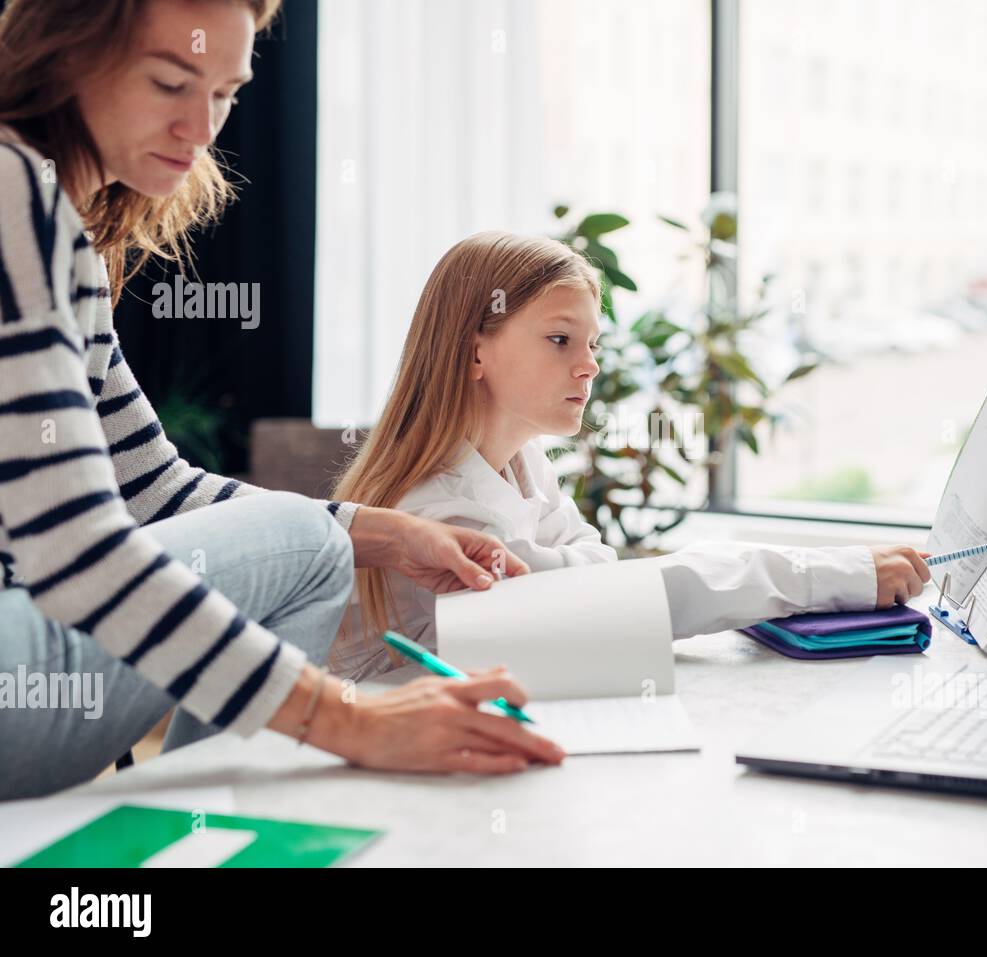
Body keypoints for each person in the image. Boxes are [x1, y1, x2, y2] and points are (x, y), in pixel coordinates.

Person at [0, 0, 565, 802]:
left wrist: (390, 535)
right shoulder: (13, 187)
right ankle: (206, 819)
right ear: (64, 53)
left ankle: (198, 820)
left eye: (226, 92)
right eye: (170, 82)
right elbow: (77, 550)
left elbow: (152, 490)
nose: (201, 129)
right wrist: (355, 720)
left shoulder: (64, 237)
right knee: (306, 540)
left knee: (313, 536)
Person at [328, 231, 931, 680]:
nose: (589, 365)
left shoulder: (522, 461)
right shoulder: (439, 511)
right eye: (559, 340)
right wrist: (821, 575)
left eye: (592, 344)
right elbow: (614, 595)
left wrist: (590, 576)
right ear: (473, 352)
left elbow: (598, 562)